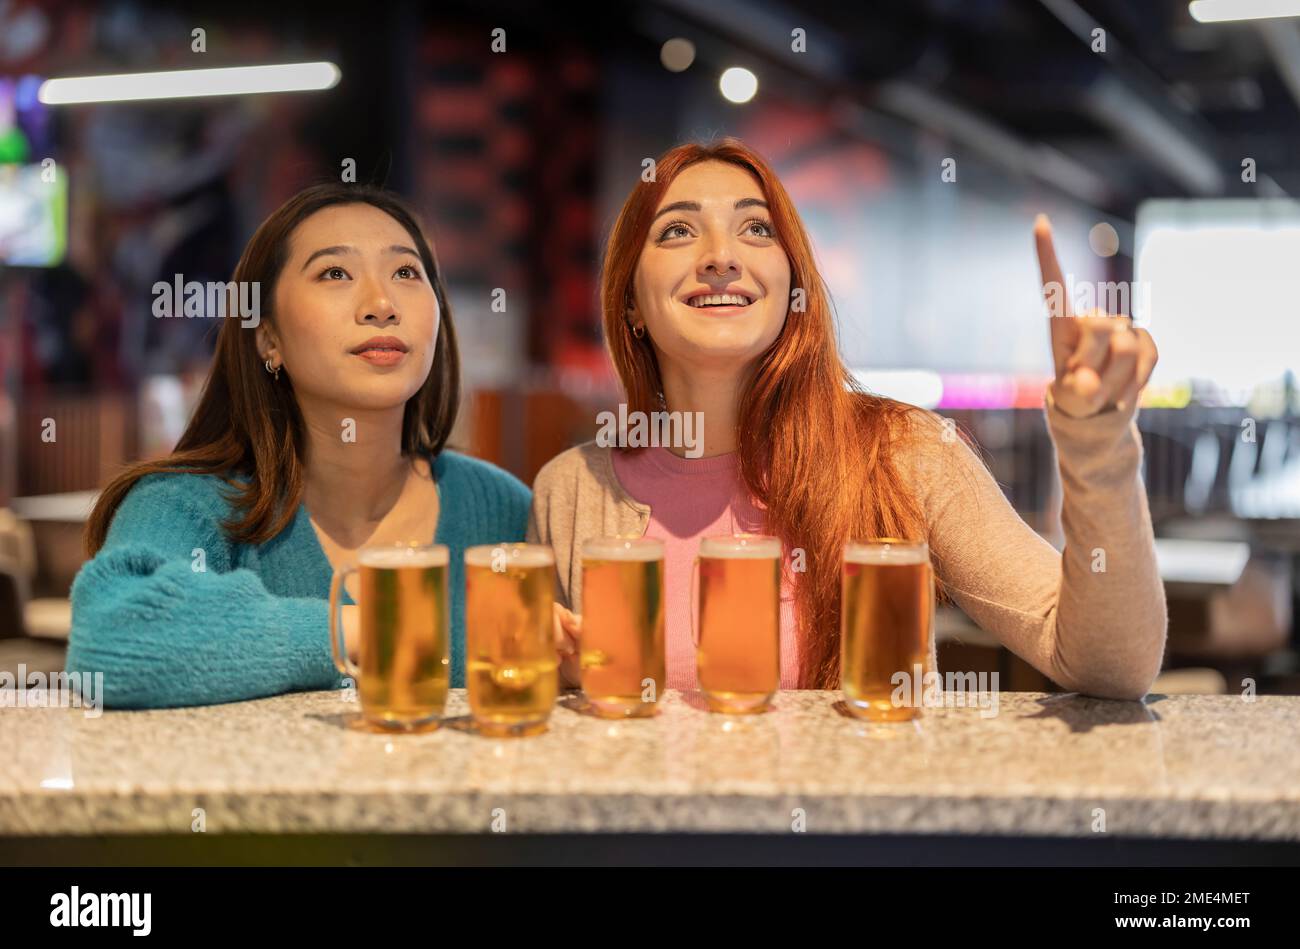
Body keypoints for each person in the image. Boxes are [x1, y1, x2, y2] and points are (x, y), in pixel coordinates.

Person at [528, 138, 1165, 699]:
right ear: (630, 301)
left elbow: (1107, 665)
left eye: (756, 230)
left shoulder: (903, 452)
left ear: (792, 286)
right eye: (676, 231)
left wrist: (1099, 437)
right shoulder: (572, 490)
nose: (722, 256)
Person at [69, 184, 529, 708]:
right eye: (335, 273)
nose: (382, 304)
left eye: (406, 273)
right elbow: (112, 641)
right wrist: (365, 630)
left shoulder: (502, 508)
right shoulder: (187, 505)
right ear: (268, 337)